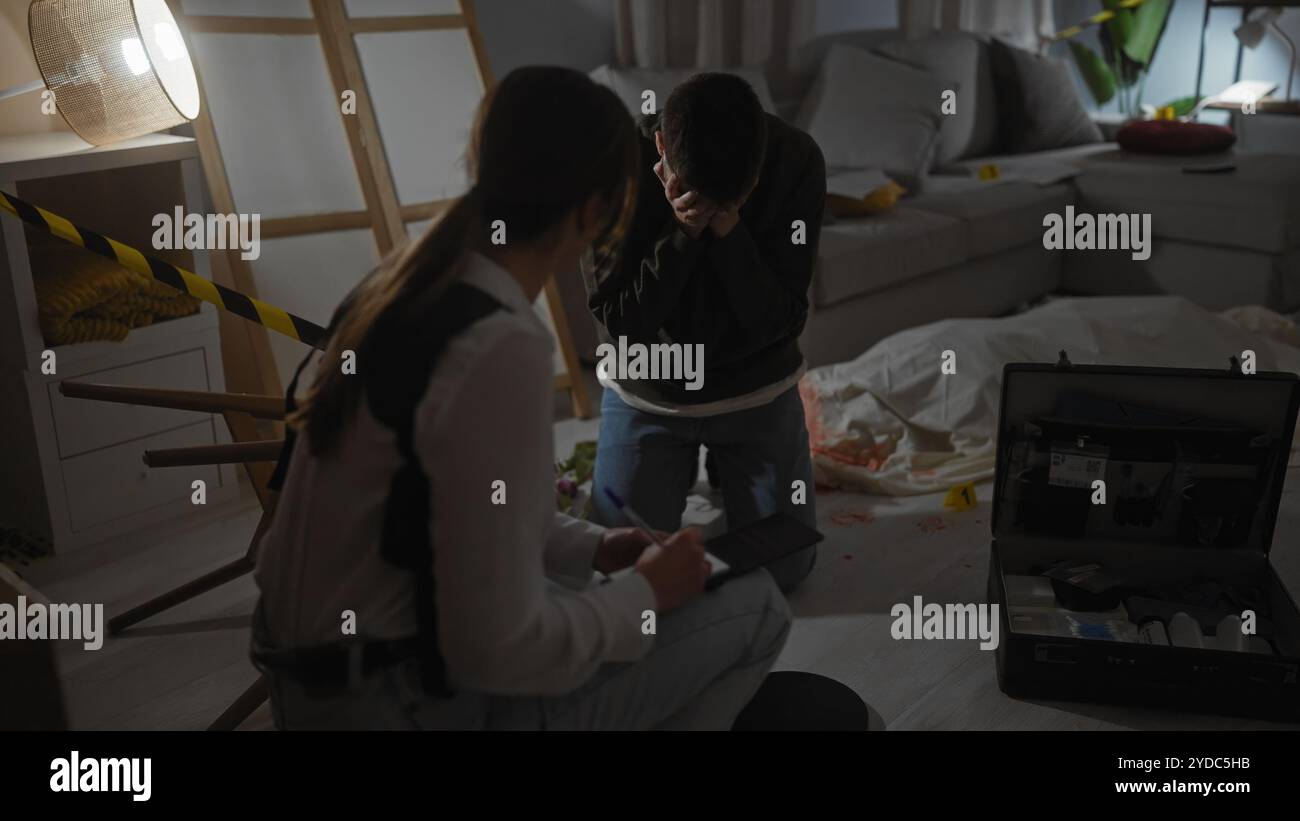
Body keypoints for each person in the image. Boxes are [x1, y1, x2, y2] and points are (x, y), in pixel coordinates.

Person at [251, 66, 791, 730]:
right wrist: (647, 593)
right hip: (395, 703)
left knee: (598, 588)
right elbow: (499, 652)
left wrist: (594, 546)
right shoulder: (500, 345)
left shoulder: (392, 286)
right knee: (758, 603)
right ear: (595, 213)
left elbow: (452, 512)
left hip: (309, 688)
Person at [582, 73, 827, 592]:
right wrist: (684, 234)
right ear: (662, 147)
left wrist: (730, 232)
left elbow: (782, 319)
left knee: (784, 571)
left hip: (756, 389)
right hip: (647, 393)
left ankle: (730, 476)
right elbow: (621, 326)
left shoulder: (796, 158)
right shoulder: (614, 166)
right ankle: (705, 480)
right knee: (618, 573)